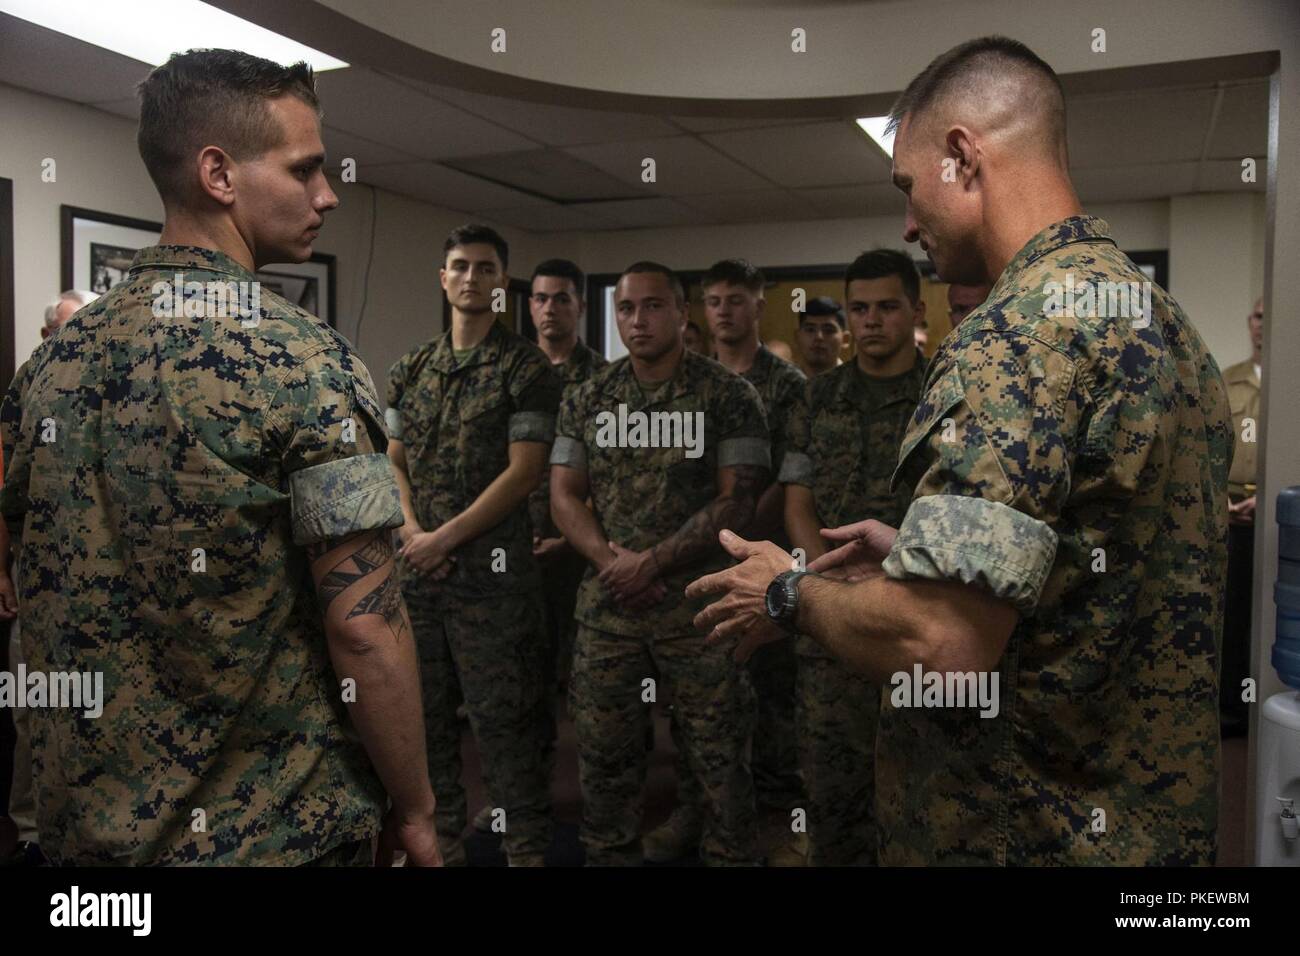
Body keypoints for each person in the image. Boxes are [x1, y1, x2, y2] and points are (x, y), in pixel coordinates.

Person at [687, 35, 1231, 866]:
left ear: (962, 158)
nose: (909, 223)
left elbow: (941, 648)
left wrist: (787, 591)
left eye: (909, 187)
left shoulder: (1015, 336)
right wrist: (918, 555)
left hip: (1020, 830)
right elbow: (1092, 566)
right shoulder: (1168, 324)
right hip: (1149, 834)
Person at [0, 49, 439, 866]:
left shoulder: (48, 368)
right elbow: (368, 627)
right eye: (305, 169)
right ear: (219, 174)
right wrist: (415, 808)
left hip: (86, 847)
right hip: (271, 837)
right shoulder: (305, 363)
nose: (329, 193)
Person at [551, 261, 769, 866]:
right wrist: (612, 563)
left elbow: (739, 500)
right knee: (604, 762)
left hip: (703, 609)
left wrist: (651, 563)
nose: (637, 321)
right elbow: (563, 495)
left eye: (652, 307)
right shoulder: (588, 395)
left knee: (720, 764)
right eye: (625, 309)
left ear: (681, 312)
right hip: (609, 609)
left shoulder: (729, 395)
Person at [386, 223, 561, 867]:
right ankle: (446, 850)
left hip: (492, 582)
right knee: (426, 728)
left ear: (501, 283)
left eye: (485, 268)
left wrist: (443, 538)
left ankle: (526, 854)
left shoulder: (525, 367)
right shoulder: (412, 367)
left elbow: (523, 473)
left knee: (504, 729)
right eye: (459, 266)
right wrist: (411, 534)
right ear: (443, 277)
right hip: (420, 579)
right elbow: (392, 461)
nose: (471, 278)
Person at [642, 259, 804, 865]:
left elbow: (787, 479)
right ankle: (696, 810)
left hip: (761, 557)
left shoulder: (786, 385)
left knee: (772, 696)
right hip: (697, 566)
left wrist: (735, 531)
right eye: (713, 300)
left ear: (758, 305)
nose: (724, 311)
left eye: (736, 299)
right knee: (702, 703)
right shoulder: (693, 381)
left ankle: (780, 817)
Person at [780, 249, 927, 866]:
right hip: (833, 624)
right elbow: (796, 505)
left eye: (887, 307)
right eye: (860, 308)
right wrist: (830, 587)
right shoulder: (816, 399)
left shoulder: (948, 392)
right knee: (834, 793)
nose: (871, 322)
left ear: (917, 311)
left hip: (919, 617)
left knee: (924, 795)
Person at [1220, 295, 1264, 735]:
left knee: (1264, 613)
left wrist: (1266, 497)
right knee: (1230, 615)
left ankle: (1260, 705)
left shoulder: (1290, 378)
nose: (1262, 326)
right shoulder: (1226, 380)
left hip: (1274, 511)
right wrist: (1221, 500)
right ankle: (1231, 706)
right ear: (1248, 322)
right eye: (1257, 317)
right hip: (1229, 511)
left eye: (1270, 318)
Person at [794, 296, 847, 377]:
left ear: (845, 339)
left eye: (828, 330)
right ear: (797, 337)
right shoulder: (780, 384)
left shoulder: (860, 386)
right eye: (810, 330)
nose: (818, 337)